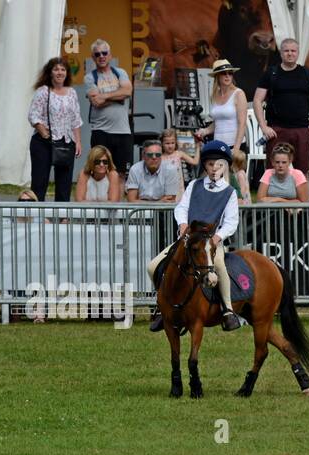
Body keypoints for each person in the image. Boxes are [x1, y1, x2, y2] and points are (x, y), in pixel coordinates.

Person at [147, 140, 242, 333]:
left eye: (219, 164)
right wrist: (183, 224)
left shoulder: (230, 192)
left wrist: (217, 238)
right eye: (210, 164)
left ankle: (228, 311)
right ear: (204, 165)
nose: (214, 168)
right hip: (188, 239)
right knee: (152, 266)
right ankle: (161, 307)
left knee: (220, 267)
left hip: (211, 243)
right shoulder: (194, 185)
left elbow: (231, 222)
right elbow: (182, 207)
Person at [254, 38, 309, 174]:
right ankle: (273, 196)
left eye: (293, 51)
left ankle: (302, 196)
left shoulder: (307, 74)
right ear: (281, 53)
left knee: (302, 172)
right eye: (286, 51)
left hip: (302, 130)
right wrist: (264, 126)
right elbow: (257, 100)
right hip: (276, 130)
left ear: (297, 53)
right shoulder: (271, 73)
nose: (290, 54)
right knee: (273, 170)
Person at [27, 56, 81, 202]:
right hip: (44, 143)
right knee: (40, 182)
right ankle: (38, 217)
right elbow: (33, 115)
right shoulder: (43, 91)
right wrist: (43, 132)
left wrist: (78, 142)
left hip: (66, 141)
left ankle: (62, 217)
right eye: (56, 69)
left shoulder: (72, 93)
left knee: (64, 183)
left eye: (63, 69)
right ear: (50, 72)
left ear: (67, 73)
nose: (59, 72)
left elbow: (76, 119)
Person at [84, 40, 133, 177]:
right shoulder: (89, 77)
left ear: (110, 55)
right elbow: (96, 102)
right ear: (93, 58)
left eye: (104, 53)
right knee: (100, 172)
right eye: (97, 54)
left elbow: (128, 92)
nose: (101, 56)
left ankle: (116, 199)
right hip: (100, 131)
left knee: (122, 173)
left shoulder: (120, 72)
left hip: (123, 131)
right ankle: (104, 199)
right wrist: (119, 96)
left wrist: (104, 96)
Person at [204, 60, 247, 156]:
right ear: (217, 76)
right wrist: (204, 131)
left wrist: (236, 148)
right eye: (224, 73)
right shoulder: (214, 95)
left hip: (235, 145)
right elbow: (218, 122)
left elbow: (242, 123)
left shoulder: (239, 94)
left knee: (235, 171)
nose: (227, 76)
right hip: (218, 145)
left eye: (230, 73)